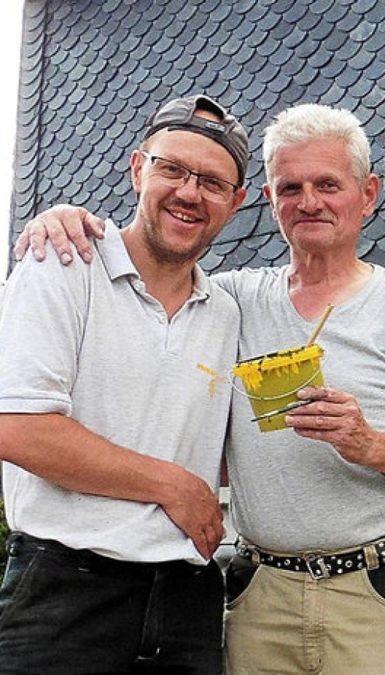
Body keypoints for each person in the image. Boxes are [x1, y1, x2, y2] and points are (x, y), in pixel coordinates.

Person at [17, 104, 385, 674]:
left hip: (379, 590)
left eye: (327, 185)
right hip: (258, 597)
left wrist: (376, 446)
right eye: (291, 187)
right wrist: (59, 217)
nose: (309, 201)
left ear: (368, 194)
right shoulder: (231, 299)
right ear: (265, 201)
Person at [0, 94, 249, 673]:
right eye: (172, 169)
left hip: (188, 603)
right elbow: (17, 428)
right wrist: (173, 486)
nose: (189, 193)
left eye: (212, 183)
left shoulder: (227, 313)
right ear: (138, 167)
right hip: (65, 593)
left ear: (236, 203)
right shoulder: (60, 264)